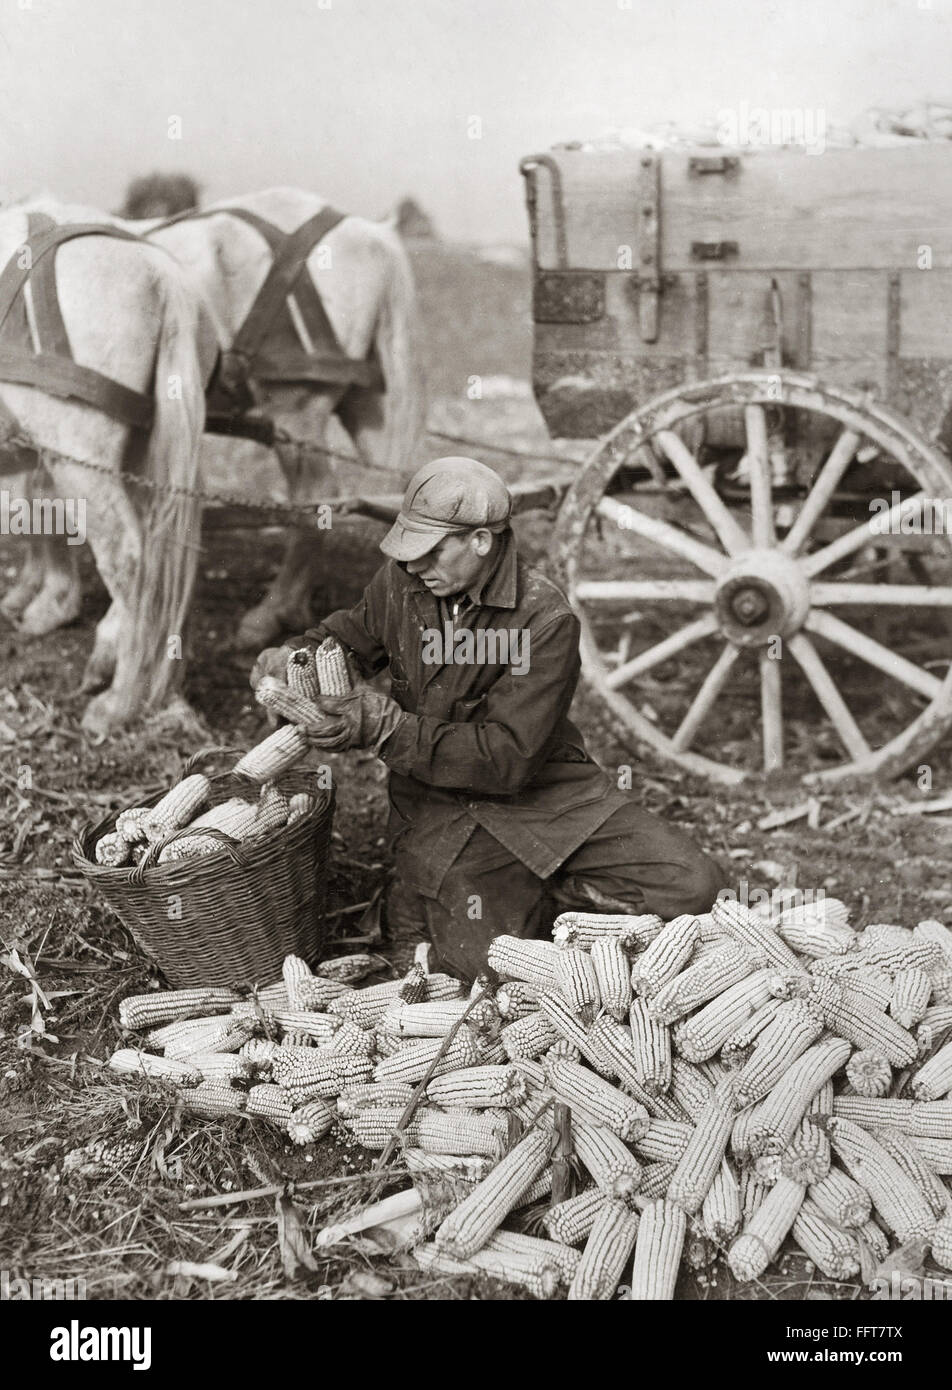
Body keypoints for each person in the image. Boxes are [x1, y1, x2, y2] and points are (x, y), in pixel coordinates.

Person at [251, 456, 724, 979]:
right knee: (489, 967)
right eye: (407, 552)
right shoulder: (402, 583)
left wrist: (387, 728)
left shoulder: (544, 618)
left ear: (481, 540)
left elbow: (507, 759)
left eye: (431, 551)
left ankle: (548, 886)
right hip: (443, 809)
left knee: (696, 887)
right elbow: (345, 640)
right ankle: (469, 898)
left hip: (547, 795)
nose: (414, 566)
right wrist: (290, 657)